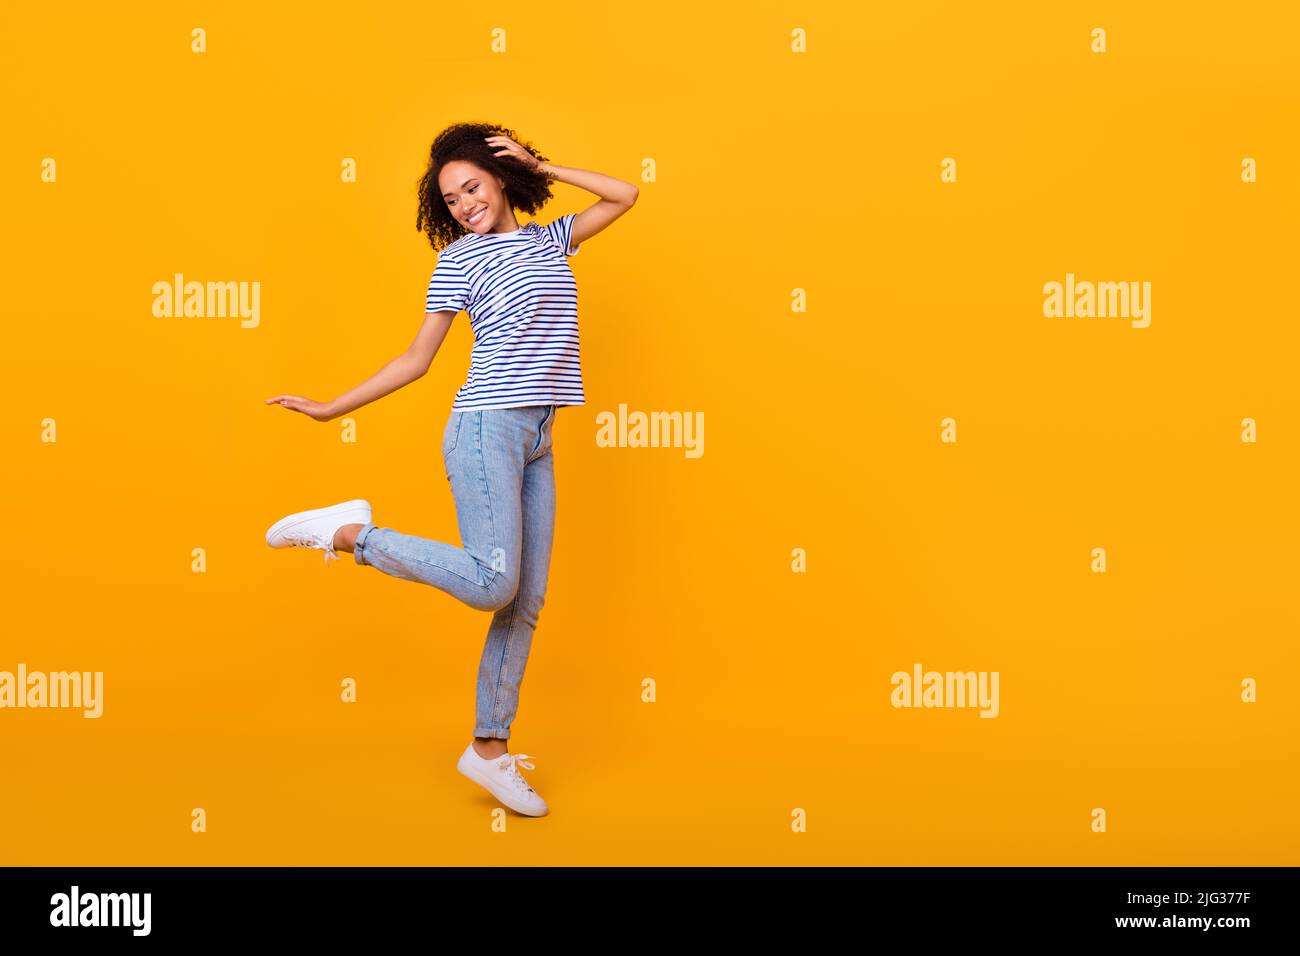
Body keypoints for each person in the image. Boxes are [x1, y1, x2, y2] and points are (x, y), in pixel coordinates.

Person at [262, 122, 638, 816]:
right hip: (485, 428)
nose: (465, 204)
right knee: (494, 584)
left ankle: (488, 750)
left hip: (539, 434)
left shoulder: (548, 239)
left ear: (501, 179)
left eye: (473, 186)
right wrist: (331, 408)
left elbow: (625, 194)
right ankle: (349, 536)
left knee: (524, 603)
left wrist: (544, 163)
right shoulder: (459, 262)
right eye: (452, 198)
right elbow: (417, 359)